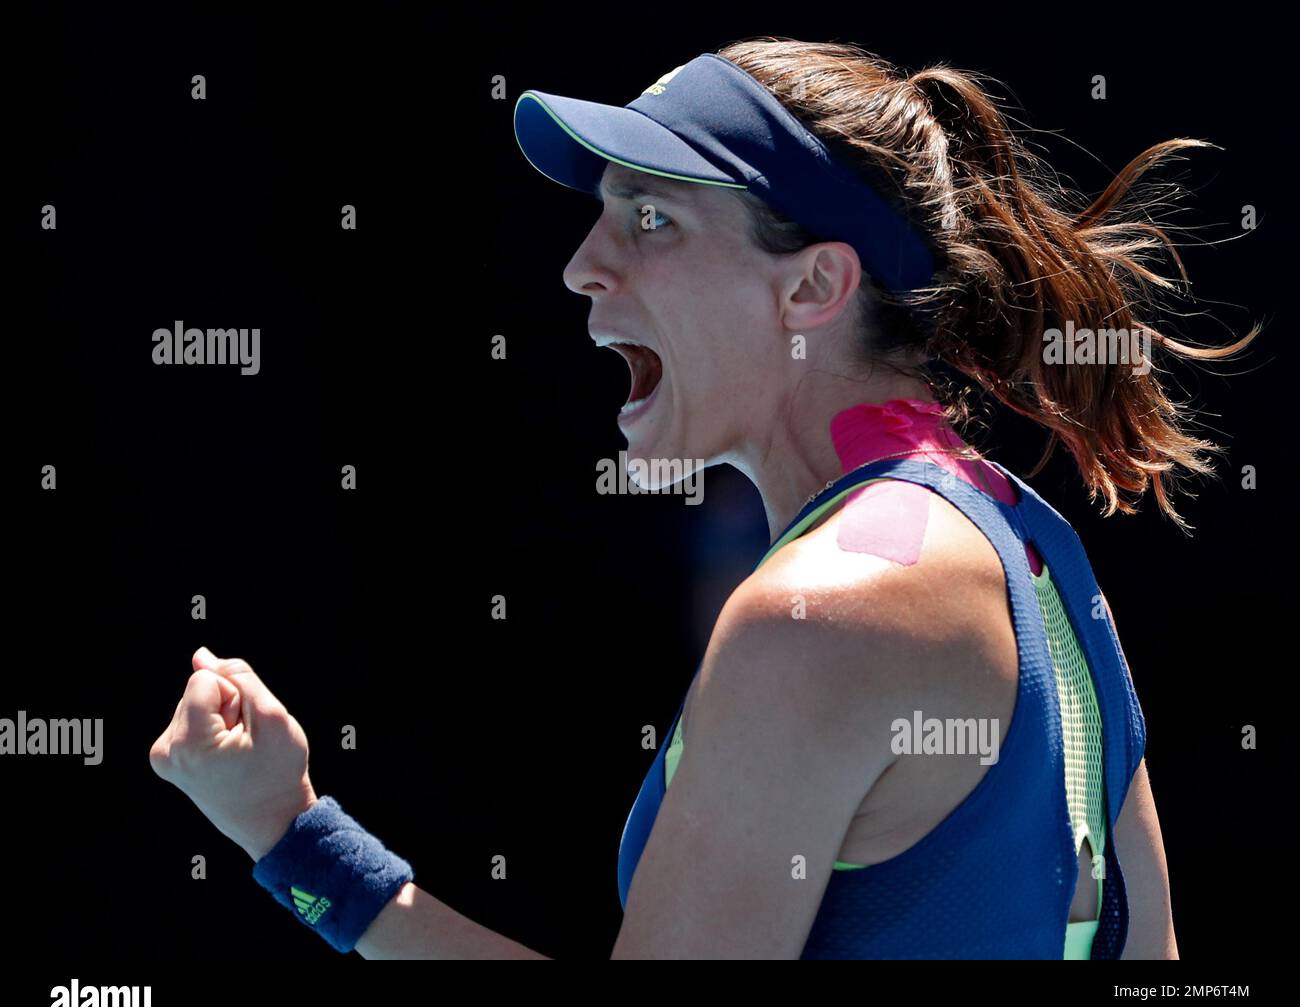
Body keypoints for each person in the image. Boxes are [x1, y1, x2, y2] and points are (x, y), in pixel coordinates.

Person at [149, 38, 1258, 959]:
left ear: (813, 285)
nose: (582, 265)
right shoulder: (1029, 542)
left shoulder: (816, 618)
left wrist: (292, 838)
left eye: (651, 220)